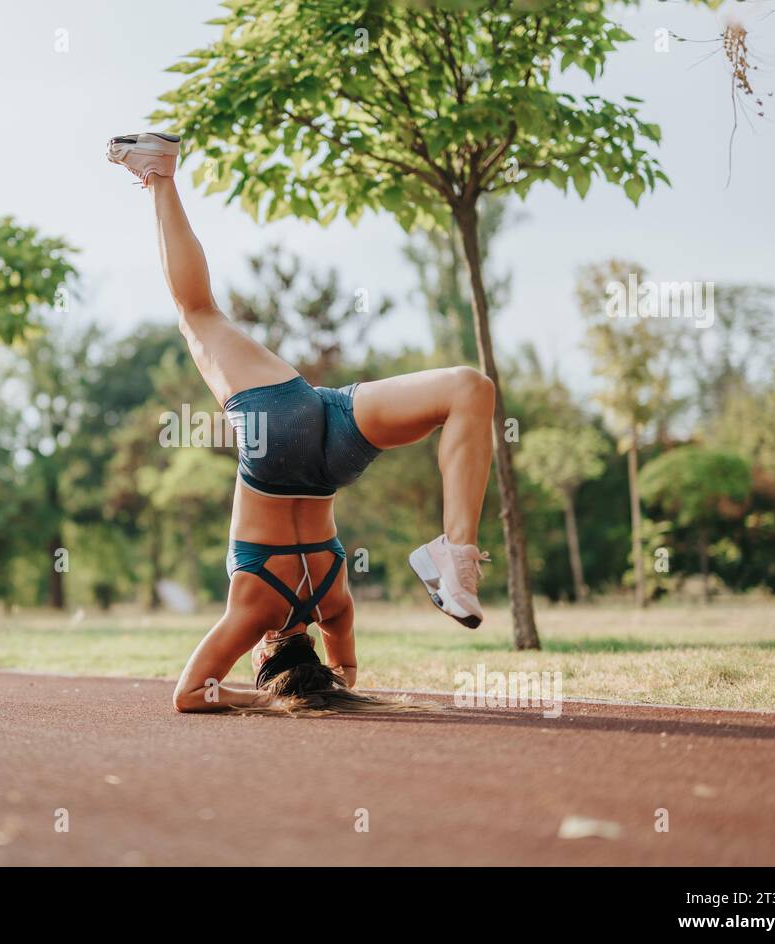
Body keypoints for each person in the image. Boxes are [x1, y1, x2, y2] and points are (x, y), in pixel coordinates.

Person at [107, 133, 495, 714]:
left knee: (469, 388)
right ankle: (160, 175)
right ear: (262, 660)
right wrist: (271, 702)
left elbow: (345, 675)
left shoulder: (333, 606)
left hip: (331, 448)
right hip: (278, 440)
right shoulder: (255, 613)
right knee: (196, 313)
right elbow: (189, 695)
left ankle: (460, 551)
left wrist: (322, 684)